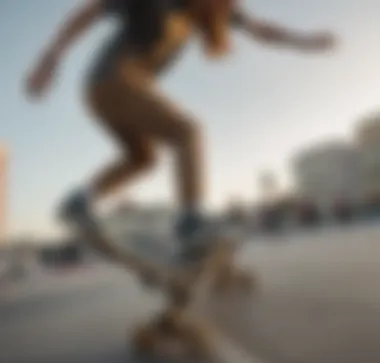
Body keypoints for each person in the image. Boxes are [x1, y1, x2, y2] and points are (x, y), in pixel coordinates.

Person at [26, 0, 336, 265]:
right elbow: (92, 11)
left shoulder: (205, 12)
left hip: (105, 91)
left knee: (143, 158)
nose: (217, 20)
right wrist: (50, 56)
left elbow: (261, 30)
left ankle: (79, 200)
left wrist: (304, 42)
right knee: (187, 132)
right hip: (114, 80)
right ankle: (191, 225)